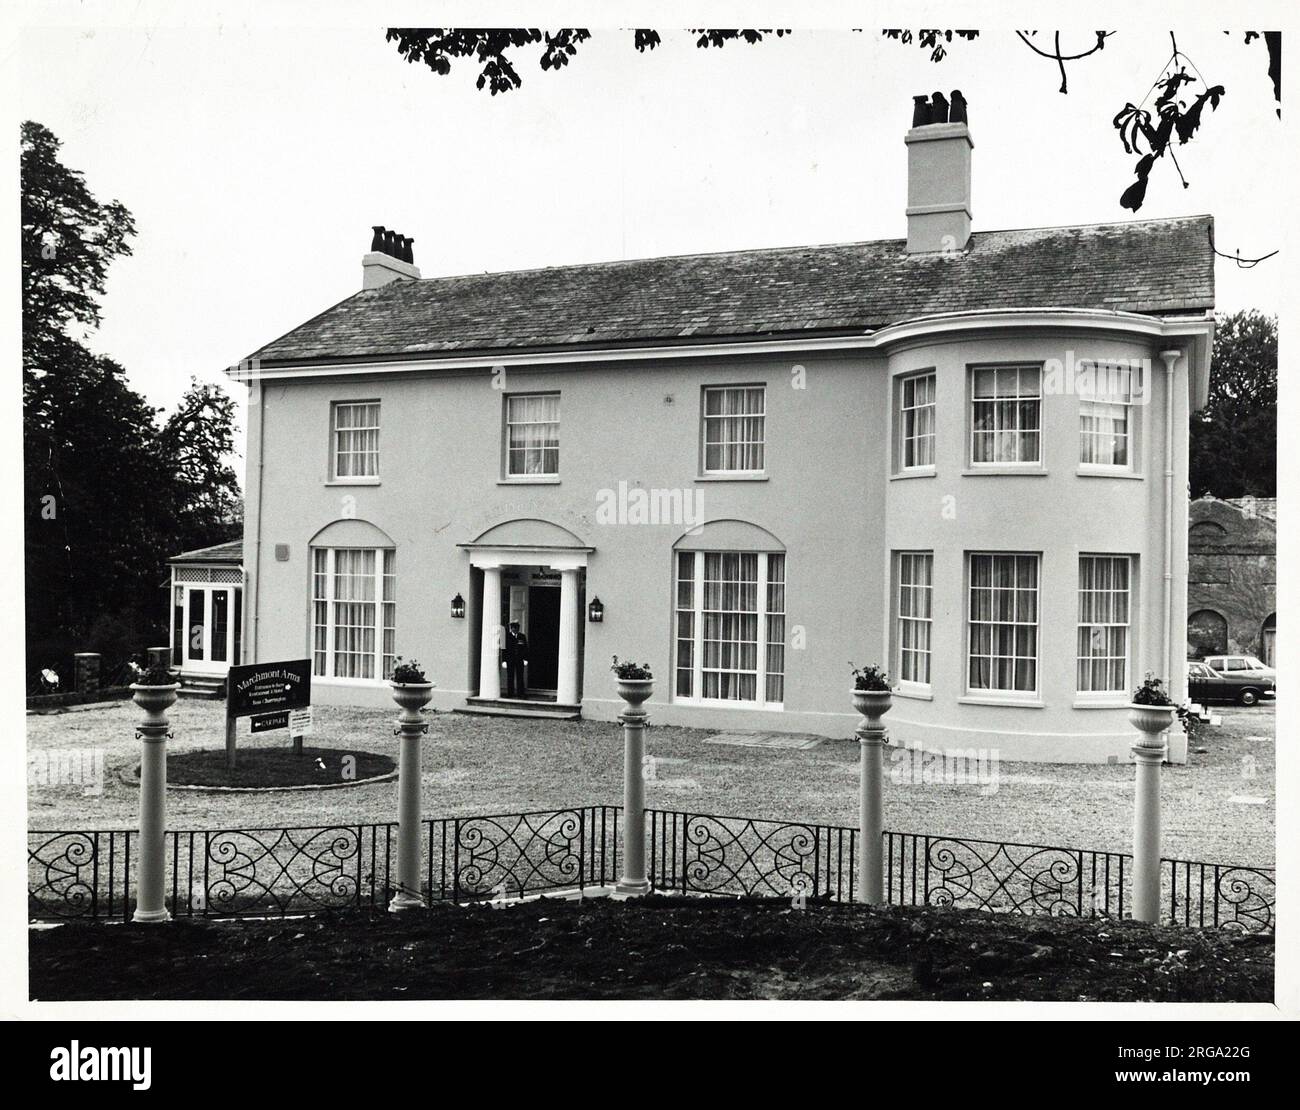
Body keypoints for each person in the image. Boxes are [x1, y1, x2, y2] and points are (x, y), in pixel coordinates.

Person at [504, 621, 529, 698]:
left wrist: (525, 659)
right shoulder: (507, 637)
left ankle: (520, 694)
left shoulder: (522, 636)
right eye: (513, 628)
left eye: (516, 628)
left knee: (520, 677)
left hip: (519, 660)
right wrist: (504, 660)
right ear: (511, 628)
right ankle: (510, 693)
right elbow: (504, 649)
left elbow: (525, 648)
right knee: (510, 677)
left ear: (518, 628)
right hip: (510, 660)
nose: (515, 629)